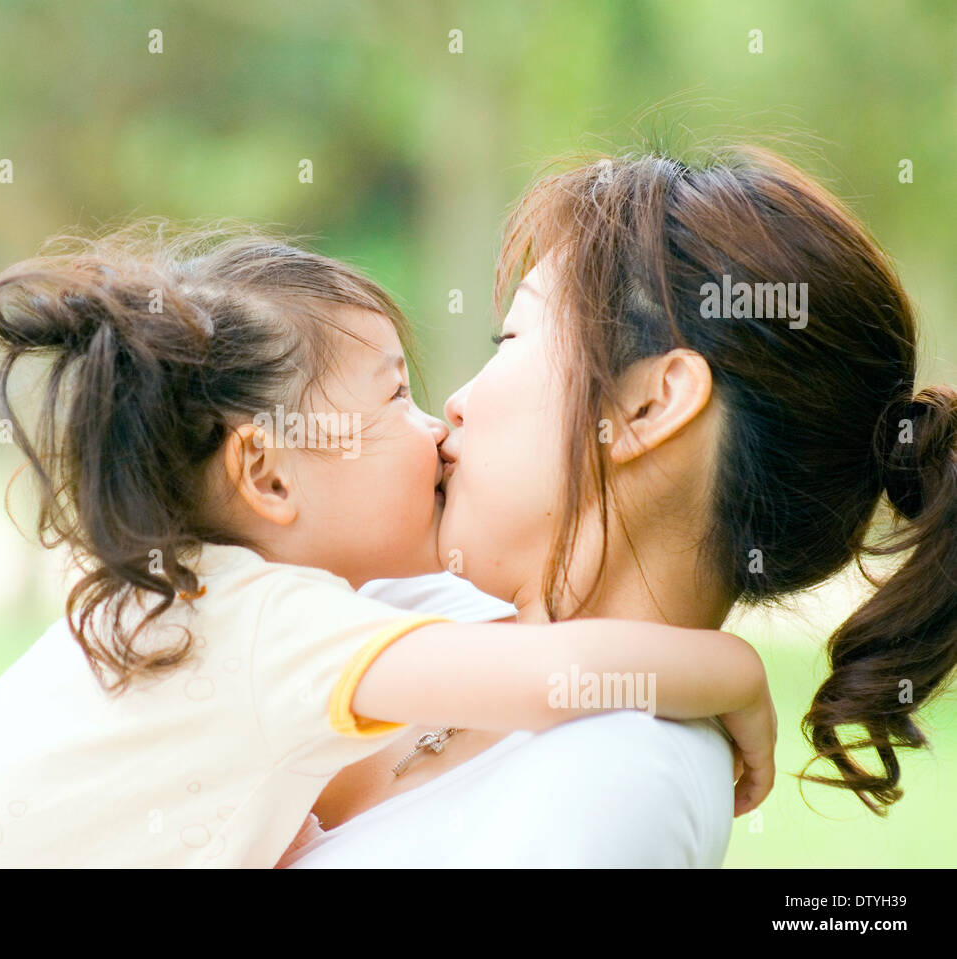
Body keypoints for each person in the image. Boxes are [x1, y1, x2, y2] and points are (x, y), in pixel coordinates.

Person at [0, 223, 773, 868]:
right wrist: (732, 668)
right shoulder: (275, 623)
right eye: (392, 398)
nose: (438, 421)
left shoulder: (178, 598)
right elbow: (546, 678)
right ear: (271, 476)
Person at [284, 145, 957, 868]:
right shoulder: (410, 603)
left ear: (648, 405)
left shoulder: (625, 783)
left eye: (510, 339)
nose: (456, 402)